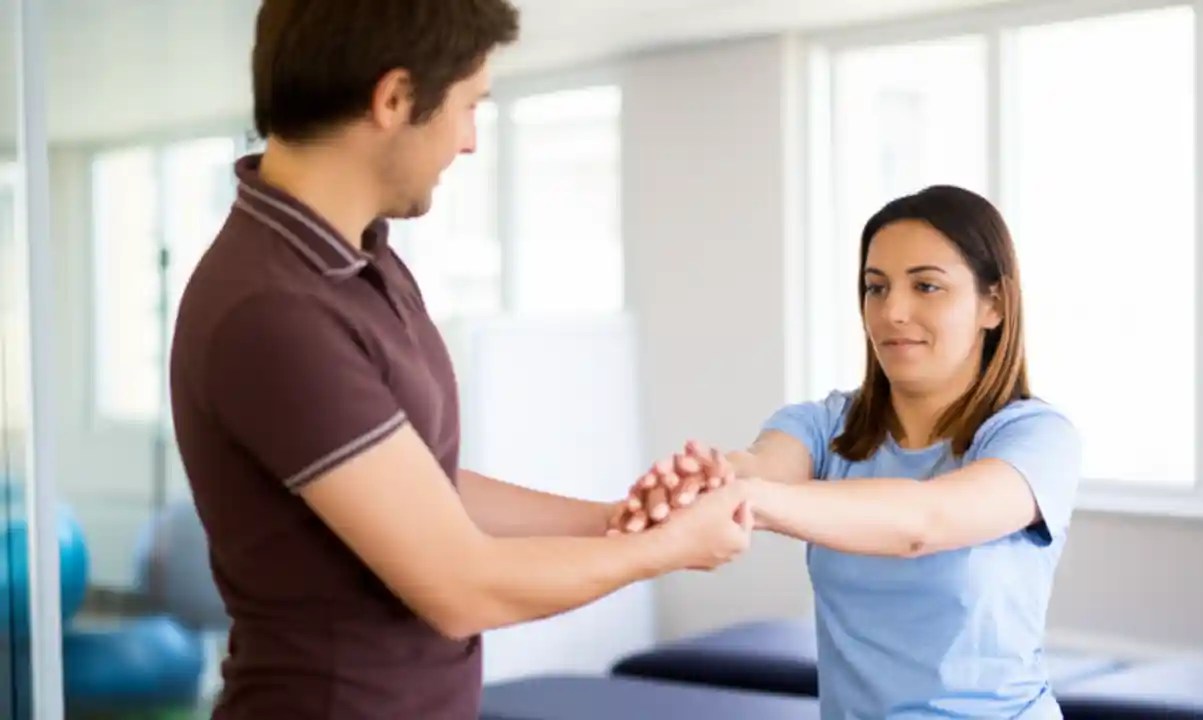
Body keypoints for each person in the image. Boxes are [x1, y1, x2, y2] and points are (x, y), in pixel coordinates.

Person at [168, 2, 753, 719]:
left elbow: (424, 491)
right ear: (394, 98)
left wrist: (616, 520)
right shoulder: (271, 308)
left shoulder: (360, 261)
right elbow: (460, 586)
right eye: (470, 106)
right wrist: (666, 551)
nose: (471, 142)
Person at [616, 185, 1083, 719]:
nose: (892, 313)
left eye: (927, 286)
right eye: (876, 287)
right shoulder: (823, 426)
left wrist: (751, 497)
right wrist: (710, 479)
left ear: (993, 304)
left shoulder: (1036, 438)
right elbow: (764, 466)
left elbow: (925, 521)